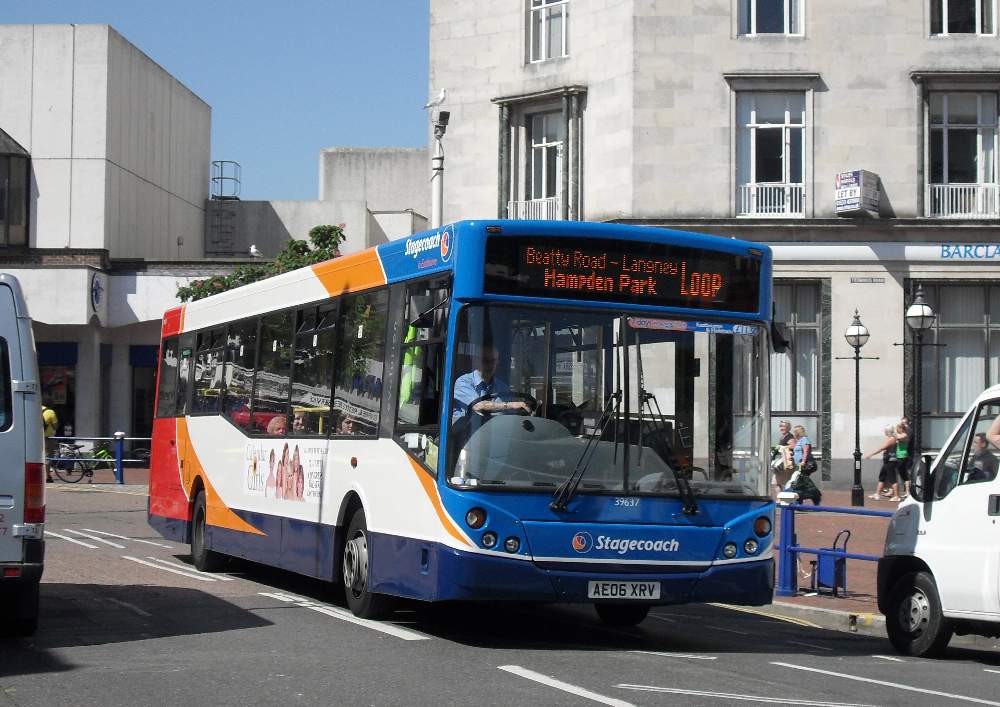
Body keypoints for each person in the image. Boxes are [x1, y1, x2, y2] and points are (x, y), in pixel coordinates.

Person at [452, 345, 530, 417]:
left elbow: (510, 413)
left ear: (497, 362)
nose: (490, 365)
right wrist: (509, 405)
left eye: (493, 361)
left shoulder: (502, 387)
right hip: (467, 430)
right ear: (476, 361)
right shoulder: (463, 382)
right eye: (486, 361)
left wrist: (523, 408)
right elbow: (477, 405)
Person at [865, 424, 901, 501]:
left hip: (890, 461)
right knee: (882, 477)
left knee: (892, 479)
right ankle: (877, 494)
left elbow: (881, 448)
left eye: (885, 431)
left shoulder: (892, 439)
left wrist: (871, 454)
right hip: (887, 461)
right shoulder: (890, 438)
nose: (884, 432)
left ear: (888, 431)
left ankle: (897, 496)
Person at [770, 420, 794, 497]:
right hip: (780, 462)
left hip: (785, 463)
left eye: (784, 426)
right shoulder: (782, 437)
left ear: (788, 428)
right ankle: (781, 498)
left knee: (784, 482)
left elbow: (793, 446)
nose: (782, 428)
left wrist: (781, 447)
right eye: (781, 426)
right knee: (776, 483)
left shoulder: (790, 436)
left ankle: (785, 499)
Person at [42, 404, 58, 483]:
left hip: (33, 438)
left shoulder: (33, 410)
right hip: (47, 438)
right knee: (48, 456)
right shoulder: (50, 412)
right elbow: (56, 425)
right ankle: (47, 476)